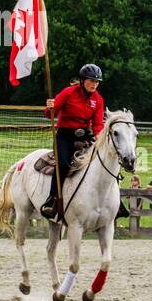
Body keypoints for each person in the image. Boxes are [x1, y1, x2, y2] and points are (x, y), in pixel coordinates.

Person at [41, 64, 107, 222]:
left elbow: (98, 124)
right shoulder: (68, 92)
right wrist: (50, 108)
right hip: (64, 136)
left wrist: (99, 138)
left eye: (97, 82)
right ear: (83, 80)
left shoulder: (98, 99)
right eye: (92, 81)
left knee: (101, 162)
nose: (94, 84)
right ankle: (52, 199)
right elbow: (51, 114)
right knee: (63, 165)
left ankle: (110, 204)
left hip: (84, 137)